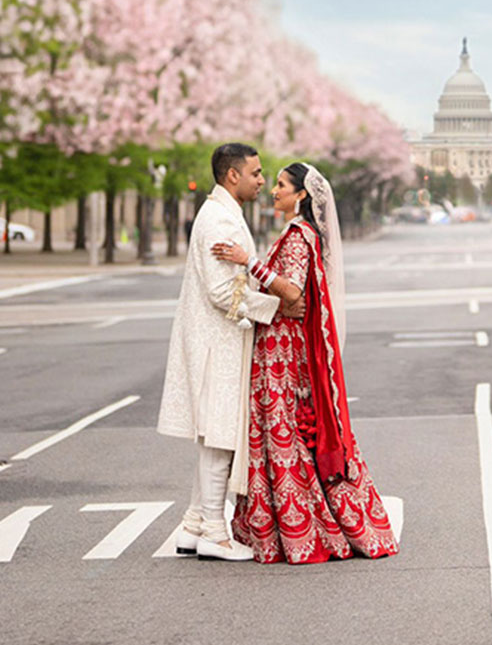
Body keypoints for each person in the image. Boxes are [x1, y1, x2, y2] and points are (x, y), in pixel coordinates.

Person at [211, 162, 399, 564]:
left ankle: (302, 533)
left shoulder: (298, 237)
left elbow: (292, 292)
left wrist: (249, 261)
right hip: (277, 348)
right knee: (283, 436)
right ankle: (287, 529)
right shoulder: (296, 233)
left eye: (280, 185)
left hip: (282, 355)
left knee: (284, 436)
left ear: (300, 196)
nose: (272, 189)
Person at [157, 143, 303, 561]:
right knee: (220, 437)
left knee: (214, 437)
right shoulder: (219, 218)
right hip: (216, 341)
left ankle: (193, 525)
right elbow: (223, 291)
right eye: (256, 173)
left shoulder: (221, 213)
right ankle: (216, 534)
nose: (262, 181)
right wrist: (278, 307)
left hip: (216, 338)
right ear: (232, 176)